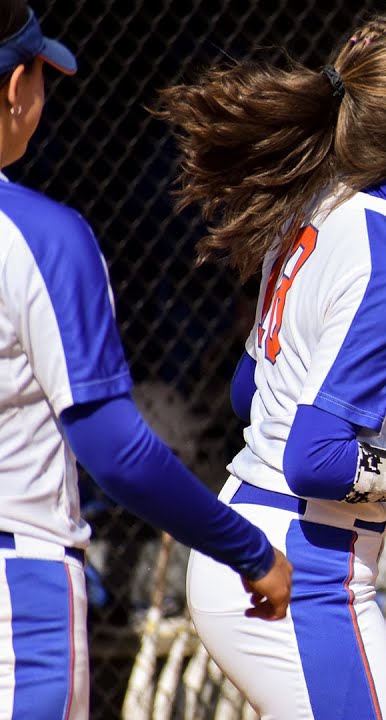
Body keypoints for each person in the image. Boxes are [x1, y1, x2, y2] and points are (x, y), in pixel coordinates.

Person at [153, 13, 386, 718]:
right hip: (307, 564)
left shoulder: (321, 210)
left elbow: (255, 392)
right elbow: (317, 460)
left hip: (263, 538)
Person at [0, 4, 291, 717]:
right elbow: (115, 450)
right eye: (40, 74)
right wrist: (249, 550)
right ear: (14, 89)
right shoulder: (41, 236)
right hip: (16, 593)